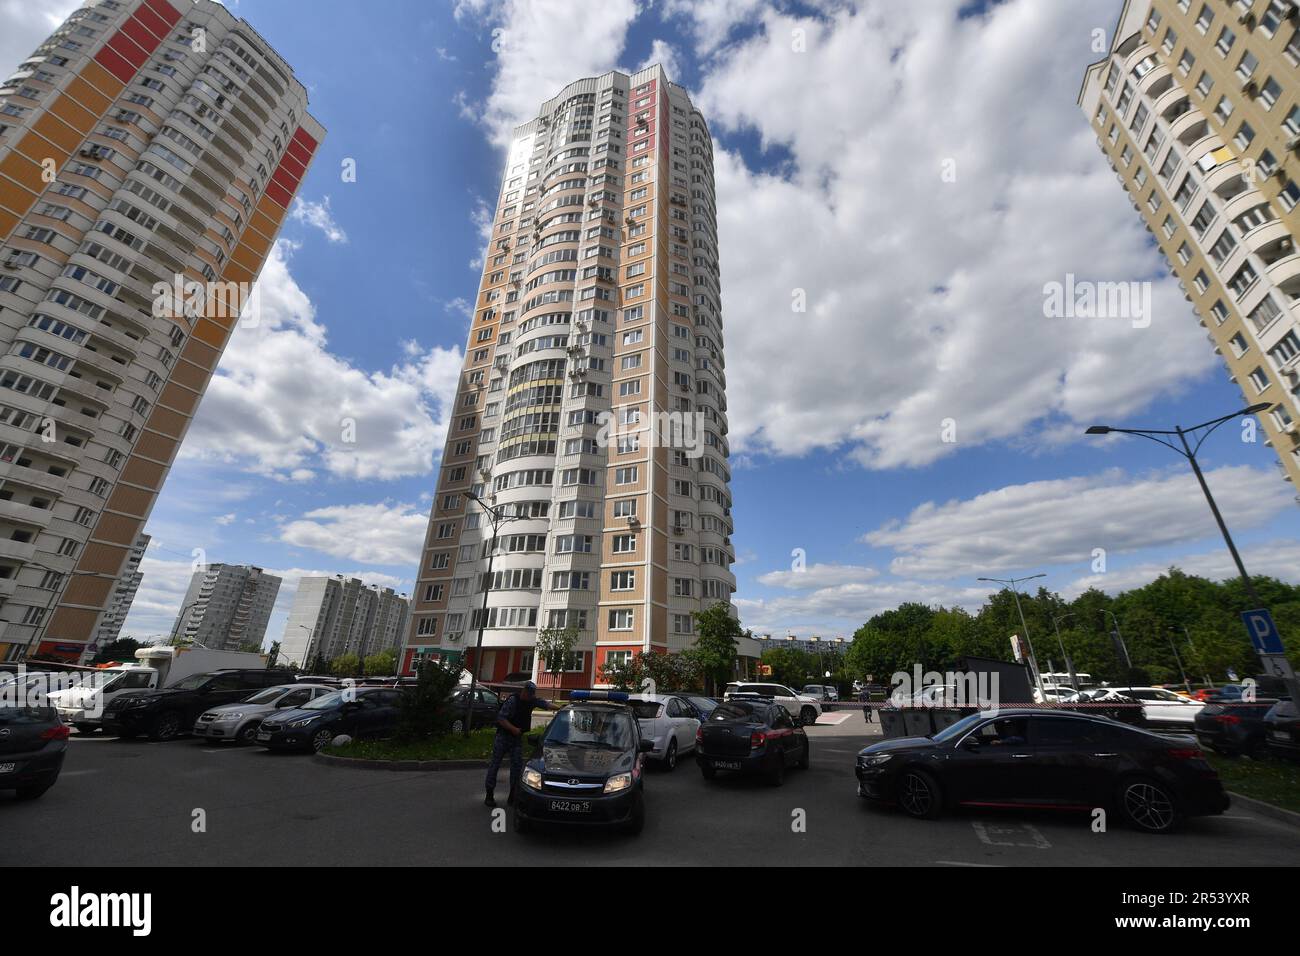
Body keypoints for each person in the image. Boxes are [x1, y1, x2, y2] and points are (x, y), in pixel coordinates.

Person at [484, 681, 556, 807]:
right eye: (529, 693)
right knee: (495, 765)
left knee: (517, 767)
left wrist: (561, 707)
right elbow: (501, 718)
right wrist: (513, 729)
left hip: (516, 739)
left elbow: (545, 704)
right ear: (524, 691)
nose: (530, 696)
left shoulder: (532, 700)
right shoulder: (513, 701)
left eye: (532, 694)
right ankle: (489, 795)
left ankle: (513, 795)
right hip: (503, 737)